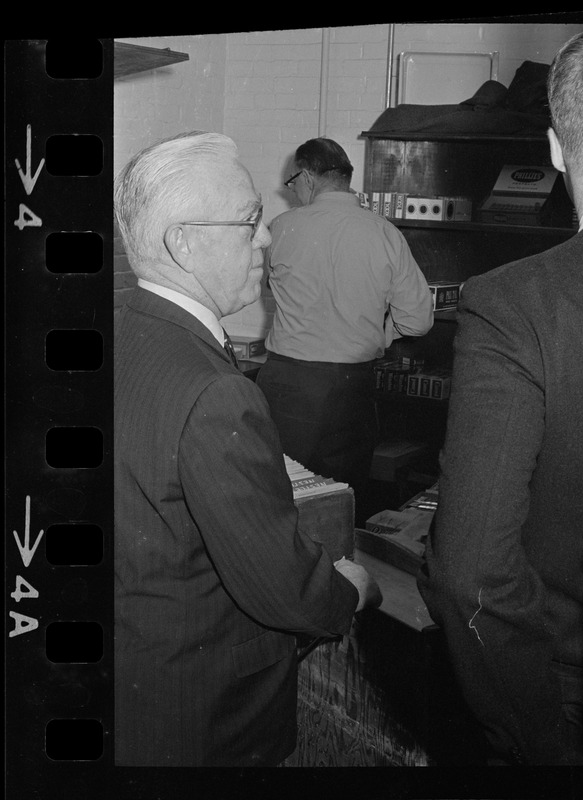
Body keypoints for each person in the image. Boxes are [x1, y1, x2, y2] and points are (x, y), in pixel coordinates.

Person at [113, 131, 380, 767]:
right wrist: (351, 590)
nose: (265, 238)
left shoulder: (121, 329)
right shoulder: (215, 394)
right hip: (199, 717)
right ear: (183, 242)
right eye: (249, 220)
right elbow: (280, 590)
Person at [417, 25, 583, 766]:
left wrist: (544, 750)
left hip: (565, 697)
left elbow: (469, 574)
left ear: (557, 148)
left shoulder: (515, 301)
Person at [255, 138, 434, 509]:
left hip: (290, 384)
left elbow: (268, 286)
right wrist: (381, 334)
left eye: (293, 183)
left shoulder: (283, 227)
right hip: (353, 388)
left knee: (279, 498)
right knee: (341, 498)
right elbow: (417, 321)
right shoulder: (385, 232)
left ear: (306, 176)